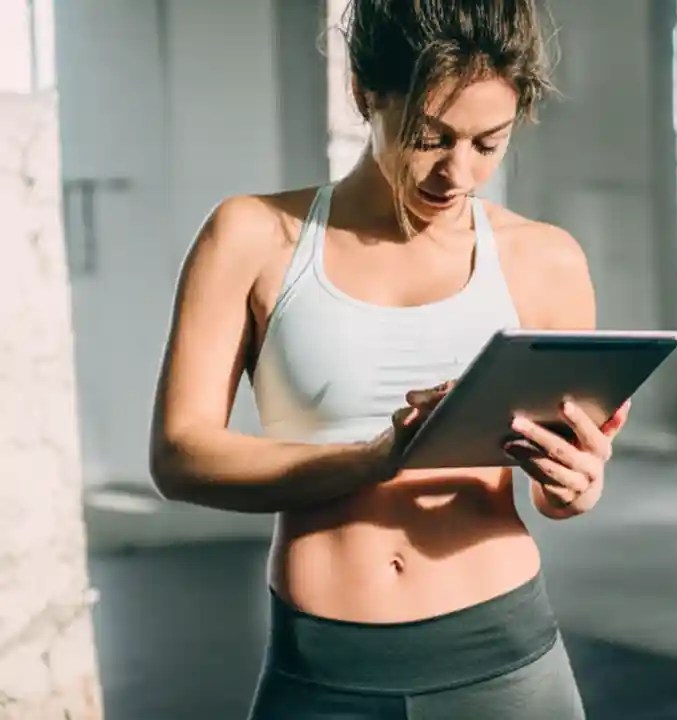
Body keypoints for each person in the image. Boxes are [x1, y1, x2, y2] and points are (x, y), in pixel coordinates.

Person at [147, 1, 626, 716]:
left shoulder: (546, 259)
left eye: (488, 143)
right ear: (364, 92)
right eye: (429, 137)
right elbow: (179, 456)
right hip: (323, 672)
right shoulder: (252, 236)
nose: (457, 172)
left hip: (505, 663)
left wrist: (574, 485)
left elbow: (557, 496)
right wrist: (376, 457)